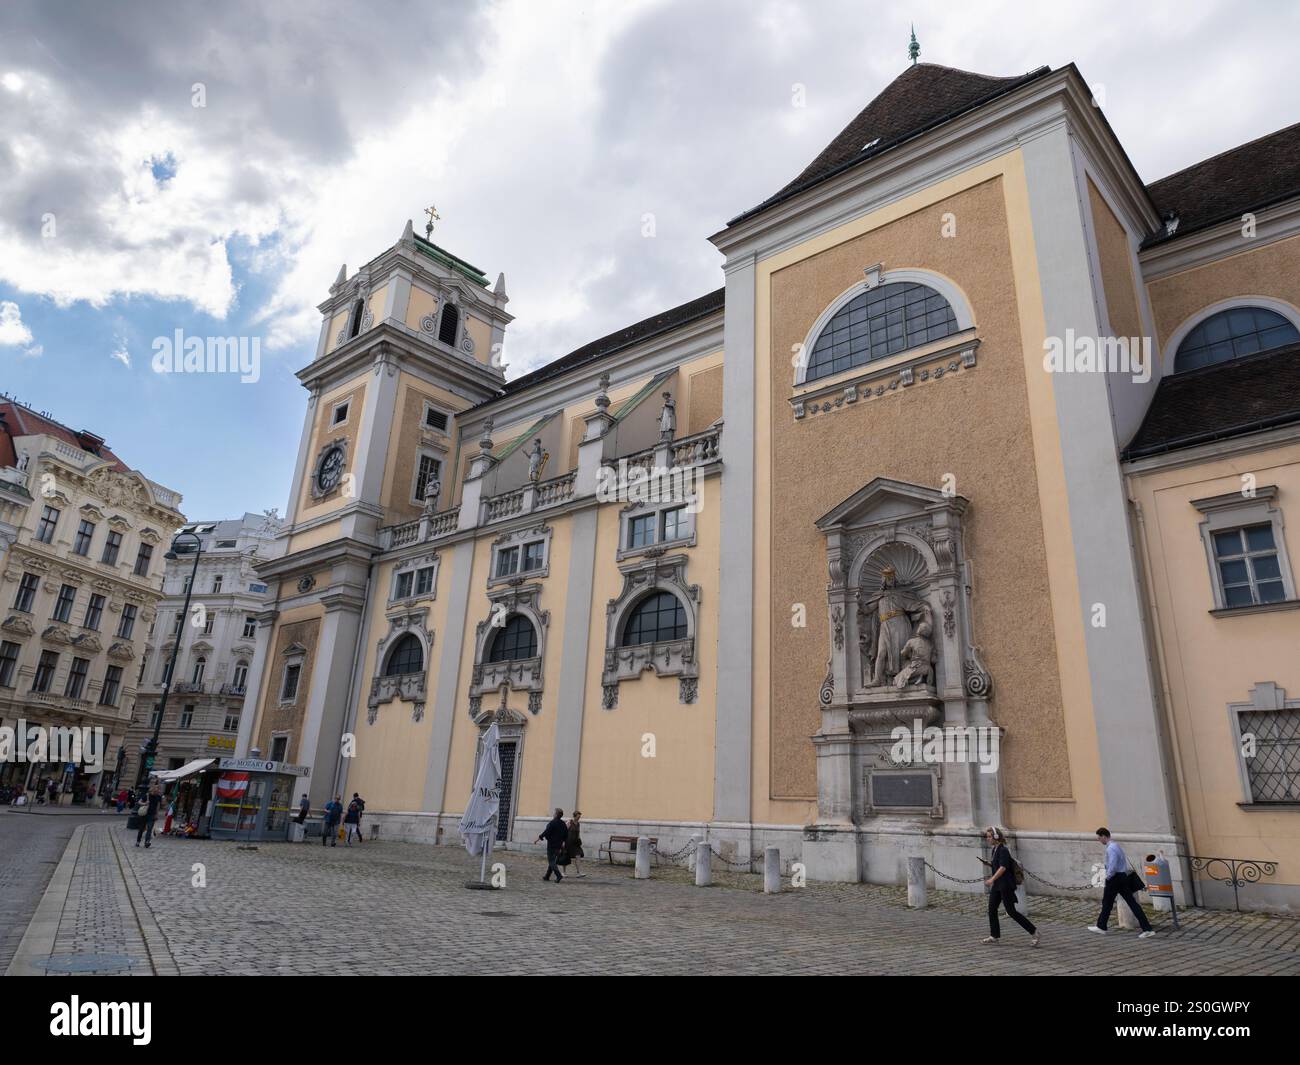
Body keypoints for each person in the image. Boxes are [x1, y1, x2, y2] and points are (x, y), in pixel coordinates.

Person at [1088, 827, 1156, 938]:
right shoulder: (1116, 846)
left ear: (1104, 836)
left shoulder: (1111, 849)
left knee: (1107, 903)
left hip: (1115, 878)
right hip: (1121, 877)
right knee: (1131, 903)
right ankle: (1147, 928)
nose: (1099, 840)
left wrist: (1108, 877)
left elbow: (1113, 865)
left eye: (1099, 838)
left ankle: (1101, 927)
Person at [980, 826, 1039, 946]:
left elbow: (1003, 868)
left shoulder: (1003, 850)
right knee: (992, 909)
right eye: (987, 837)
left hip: (1005, 885)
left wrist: (991, 879)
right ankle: (994, 935)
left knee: (1011, 912)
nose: (988, 839)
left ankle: (1034, 931)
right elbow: (998, 865)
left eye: (990, 836)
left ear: (997, 837)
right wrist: (990, 864)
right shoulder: (995, 849)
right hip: (998, 885)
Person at [537, 808, 569, 882]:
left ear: (556, 814)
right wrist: (563, 842)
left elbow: (546, 832)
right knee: (553, 860)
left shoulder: (552, 823)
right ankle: (547, 876)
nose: (553, 814)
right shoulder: (563, 823)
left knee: (551, 861)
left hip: (552, 845)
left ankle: (558, 875)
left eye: (554, 813)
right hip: (559, 845)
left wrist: (539, 837)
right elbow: (566, 834)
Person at [136, 780, 164, 848]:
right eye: (156, 791)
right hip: (144, 814)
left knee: (149, 828)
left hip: (152, 814)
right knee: (141, 829)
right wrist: (145, 803)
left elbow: (158, 806)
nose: (157, 792)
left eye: (157, 791)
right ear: (152, 790)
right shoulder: (147, 795)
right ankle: (138, 841)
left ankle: (147, 842)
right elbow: (139, 802)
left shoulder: (158, 797)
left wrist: (156, 814)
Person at [562, 810, 586, 878]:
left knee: (578, 856)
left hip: (575, 843)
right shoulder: (569, 822)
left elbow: (578, 833)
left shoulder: (578, 824)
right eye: (578, 817)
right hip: (568, 842)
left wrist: (579, 840)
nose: (579, 818)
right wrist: (563, 842)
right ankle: (563, 872)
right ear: (574, 816)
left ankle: (578, 873)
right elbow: (564, 831)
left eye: (579, 817)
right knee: (565, 857)